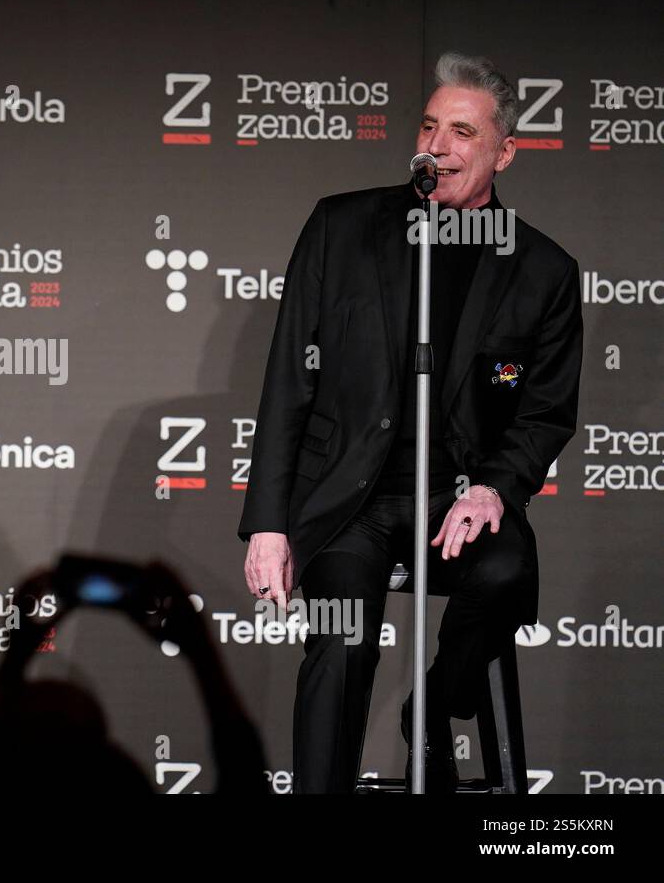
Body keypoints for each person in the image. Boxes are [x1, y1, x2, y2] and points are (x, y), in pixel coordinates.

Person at [238, 52, 583, 793]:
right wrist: (268, 523)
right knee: (340, 642)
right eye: (430, 126)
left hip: (456, 500)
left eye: (462, 131)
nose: (438, 145)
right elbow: (288, 382)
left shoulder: (543, 269)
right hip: (349, 506)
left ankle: (435, 706)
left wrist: (494, 488)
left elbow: (545, 411)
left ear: (505, 152)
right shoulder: (342, 227)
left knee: (507, 571)